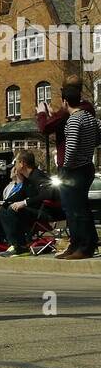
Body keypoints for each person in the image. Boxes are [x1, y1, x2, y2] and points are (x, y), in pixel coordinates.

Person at [57, 81, 101, 259]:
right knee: (80, 208)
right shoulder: (91, 118)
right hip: (87, 167)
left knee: (74, 209)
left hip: (75, 169)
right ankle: (81, 244)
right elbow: (98, 139)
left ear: (65, 102)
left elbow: (72, 146)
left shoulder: (74, 120)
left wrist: (66, 167)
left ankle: (83, 246)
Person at [0, 151, 61, 257]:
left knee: (13, 210)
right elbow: (20, 194)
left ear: (22, 163)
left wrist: (25, 203)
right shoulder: (28, 179)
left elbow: (48, 193)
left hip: (47, 213)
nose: (15, 166)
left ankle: (20, 246)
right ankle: (15, 244)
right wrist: (2, 202)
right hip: (35, 211)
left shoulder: (37, 175)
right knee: (3, 208)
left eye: (16, 162)